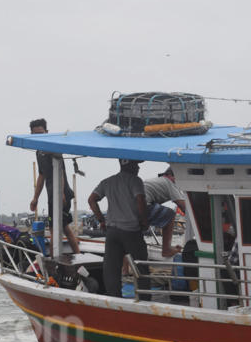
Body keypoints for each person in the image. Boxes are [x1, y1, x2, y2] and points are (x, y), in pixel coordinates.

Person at [87, 159, 151, 299]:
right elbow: (140, 200)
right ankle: (145, 298)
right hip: (131, 230)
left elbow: (91, 200)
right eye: (136, 164)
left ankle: (114, 297)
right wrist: (144, 221)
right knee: (141, 265)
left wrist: (101, 220)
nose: (138, 167)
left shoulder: (108, 181)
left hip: (112, 231)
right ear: (130, 165)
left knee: (111, 268)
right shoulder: (135, 181)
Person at [28, 118, 80, 254]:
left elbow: (61, 171)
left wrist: (61, 193)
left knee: (54, 229)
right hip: (52, 195)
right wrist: (35, 198)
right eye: (35, 135)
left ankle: (53, 261)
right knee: (64, 228)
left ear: (47, 132)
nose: (38, 137)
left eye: (41, 133)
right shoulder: (39, 152)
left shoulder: (53, 149)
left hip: (61, 195)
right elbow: (41, 175)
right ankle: (78, 255)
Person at [144, 166, 186, 257]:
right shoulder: (169, 183)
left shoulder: (157, 181)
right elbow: (183, 206)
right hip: (143, 206)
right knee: (170, 214)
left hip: (130, 207)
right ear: (171, 176)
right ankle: (166, 250)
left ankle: (125, 267)